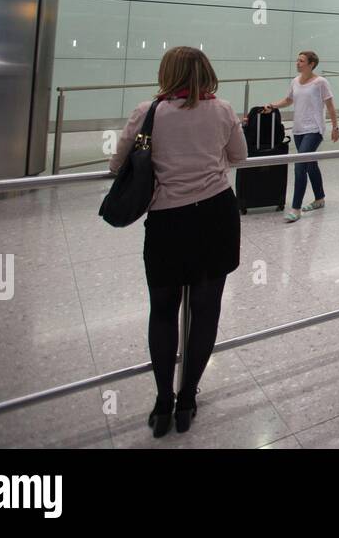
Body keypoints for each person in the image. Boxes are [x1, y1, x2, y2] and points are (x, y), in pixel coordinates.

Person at [109, 46, 247, 438]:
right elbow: (240, 156)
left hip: (168, 221)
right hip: (217, 216)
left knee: (164, 311)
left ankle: (162, 400)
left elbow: (117, 164)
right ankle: (188, 398)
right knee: (205, 311)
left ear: (166, 73)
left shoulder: (149, 112)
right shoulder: (222, 109)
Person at [261, 50, 339, 223]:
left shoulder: (321, 82)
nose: (297, 63)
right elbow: (289, 100)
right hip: (298, 130)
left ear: (311, 64)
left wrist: (335, 127)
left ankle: (296, 208)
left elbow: (331, 106)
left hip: (314, 130)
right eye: (297, 60)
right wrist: (273, 106)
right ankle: (319, 199)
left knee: (300, 166)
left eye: (301, 61)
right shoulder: (295, 81)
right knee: (310, 165)